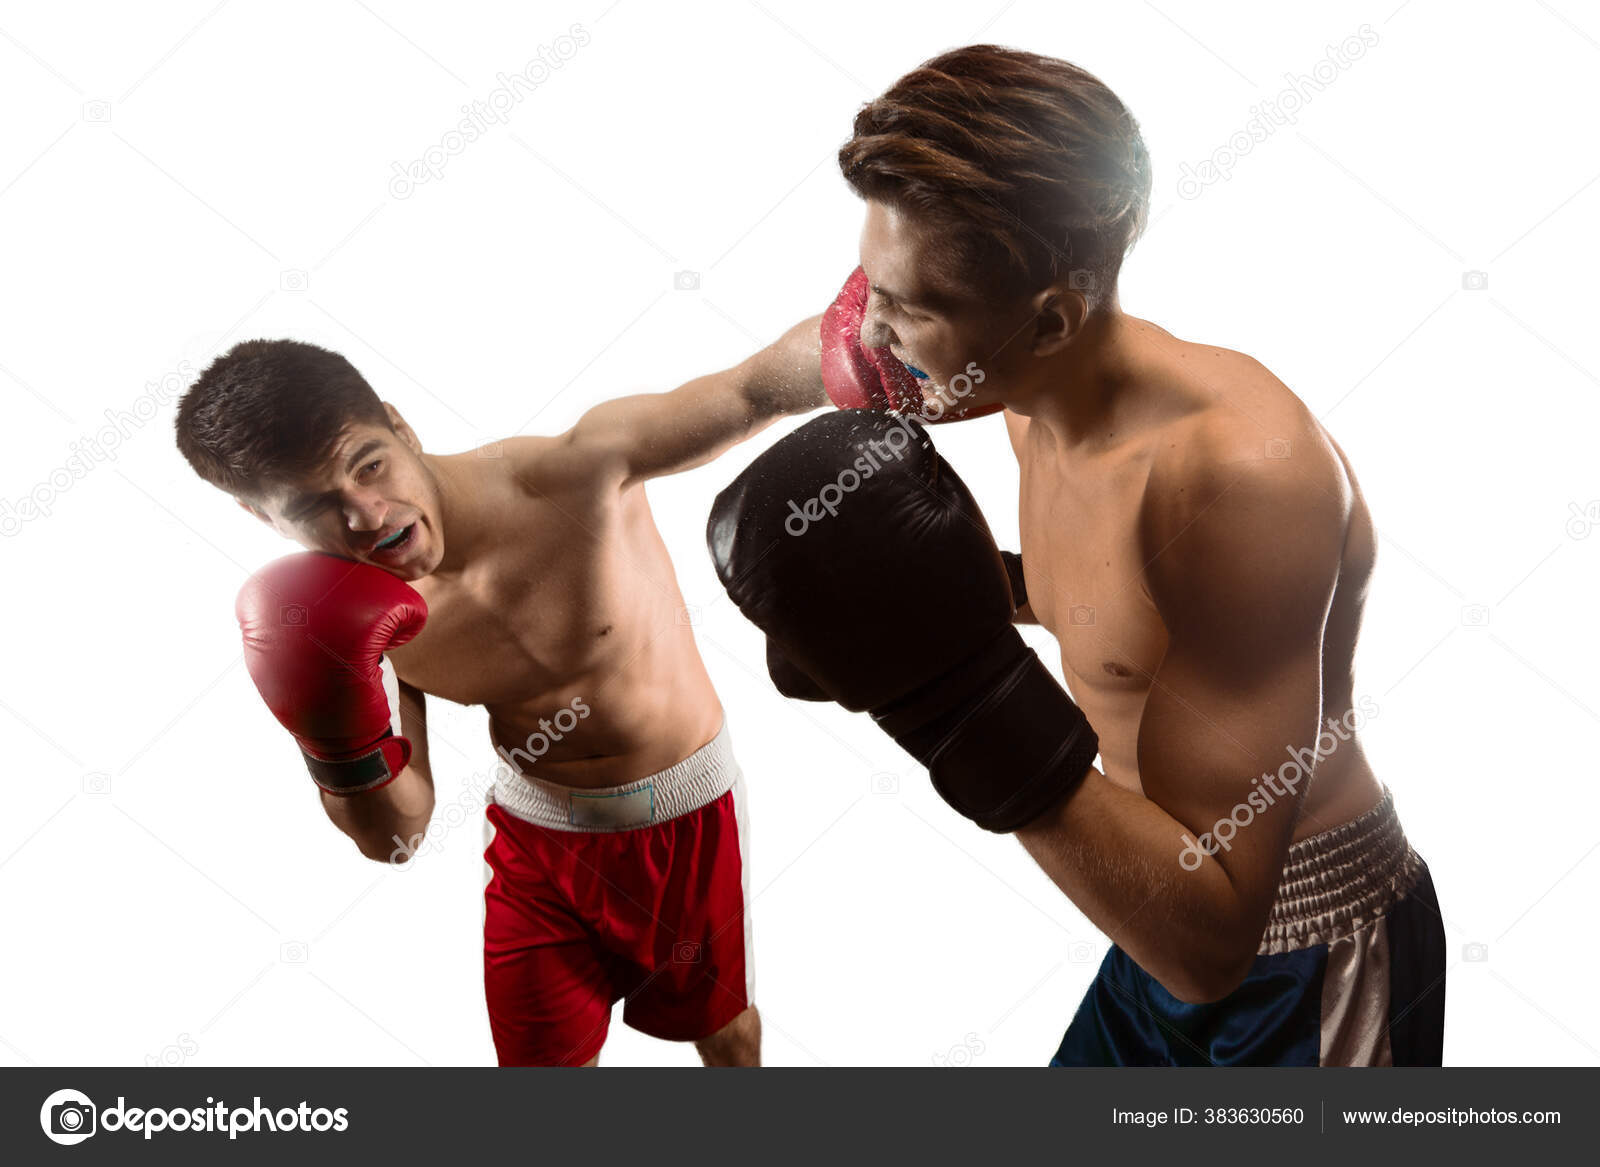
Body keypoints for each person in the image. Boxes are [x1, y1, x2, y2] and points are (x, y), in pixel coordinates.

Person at [707, 44, 1444, 1066]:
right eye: (866, 283)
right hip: (1148, 922)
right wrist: (919, 606)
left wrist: (946, 694)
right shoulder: (1017, 396)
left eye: (909, 305)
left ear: (1049, 317)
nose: (868, 325)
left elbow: (1212, 945)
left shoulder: (1235, 477)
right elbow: (1104, 608)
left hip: (1294, 960)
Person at [176, 331, 826, 1066]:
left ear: (400, 425)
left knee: (724, 1035)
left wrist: (903, 335)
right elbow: (399, 833)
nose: (365, 515)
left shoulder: (574, 473)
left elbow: (752, 390)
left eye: (370, 465)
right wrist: (334, 742)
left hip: (683, 820)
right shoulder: (348, 629)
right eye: (314, 504)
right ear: (262, 518)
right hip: (533, 845)